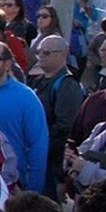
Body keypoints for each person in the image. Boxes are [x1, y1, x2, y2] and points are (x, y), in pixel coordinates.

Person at [0, 41, 50, 194]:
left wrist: (33, 192)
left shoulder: (26, 97)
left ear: (8, 64)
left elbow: (38, 147)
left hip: (10, 184)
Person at [29, 35, 84, 198]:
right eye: (39, 51)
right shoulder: (39, 80)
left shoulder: (67, 85)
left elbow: (65, 126)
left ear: (63, 54)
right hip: (37, 155)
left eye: (46, 52)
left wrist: (41, 147)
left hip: (52, 160)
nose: (41, 56)